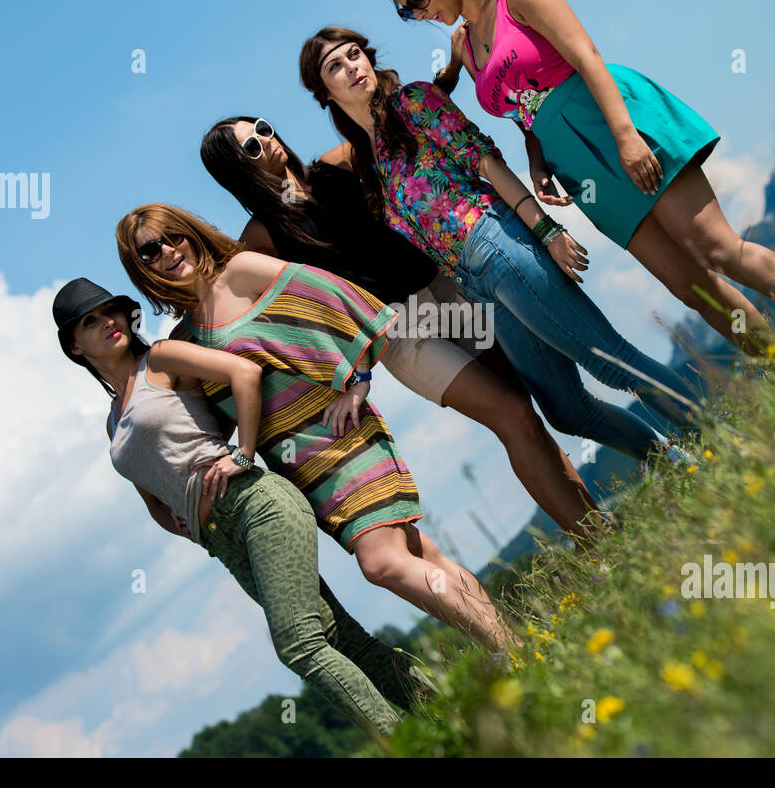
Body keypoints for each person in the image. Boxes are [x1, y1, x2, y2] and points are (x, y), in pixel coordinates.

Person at [380, 0, 775, 356]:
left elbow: (585, 54)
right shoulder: (464, 43)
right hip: (576, 164)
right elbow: (523, 112)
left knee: (716, 248)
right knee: (687, 285)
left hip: (612, 121)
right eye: (407, 11)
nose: (419, 14)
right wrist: (537, 163)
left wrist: (625, 137)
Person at [114, 204, 517, 651]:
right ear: (141, 269)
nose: (170, 251)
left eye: (175, 237)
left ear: (191, 233)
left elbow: (333, 295)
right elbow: (200, 427)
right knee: (418, 553)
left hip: (340, 435)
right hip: (300, 473)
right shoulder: (185, 340)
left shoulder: (241, 272)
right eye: (151, 250)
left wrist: (359, 380)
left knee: (380, 563)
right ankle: (515, 642)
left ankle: (508, 652)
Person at [298, 25, 705, 464]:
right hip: (475, 285)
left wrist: (546, 230)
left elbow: (487, 162)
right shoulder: (371, 154)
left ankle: (721, 436)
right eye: (334, 66)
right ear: (324, 92)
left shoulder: (412, 100)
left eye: (354, 54)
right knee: (566, 411)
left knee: (610, 361)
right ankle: (677, 462)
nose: (351, 67)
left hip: (498, 244)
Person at [198, 114, 603, 546]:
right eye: (251, 147)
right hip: (399, 333)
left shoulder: (338, 164)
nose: (266, 141)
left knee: (526, 414)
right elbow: (234, 304)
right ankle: (593, 541)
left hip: (445, 287)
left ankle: (600, 531)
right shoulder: (262, 235)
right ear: (236, 169)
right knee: (512, 415)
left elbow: (390, 119)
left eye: (262, 129)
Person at [53, 277, 428, 741]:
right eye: (90, 321)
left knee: (300, 646)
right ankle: (450, 710)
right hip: (224, 540)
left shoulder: (162, 360)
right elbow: (152, 496)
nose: (108, 322)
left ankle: (410, 746)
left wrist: (243, 453)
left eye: (111, 310)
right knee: (341, 640)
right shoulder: (112, 422)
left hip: (256, 504)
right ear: (74, 347)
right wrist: (193, 527)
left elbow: (243, 373)